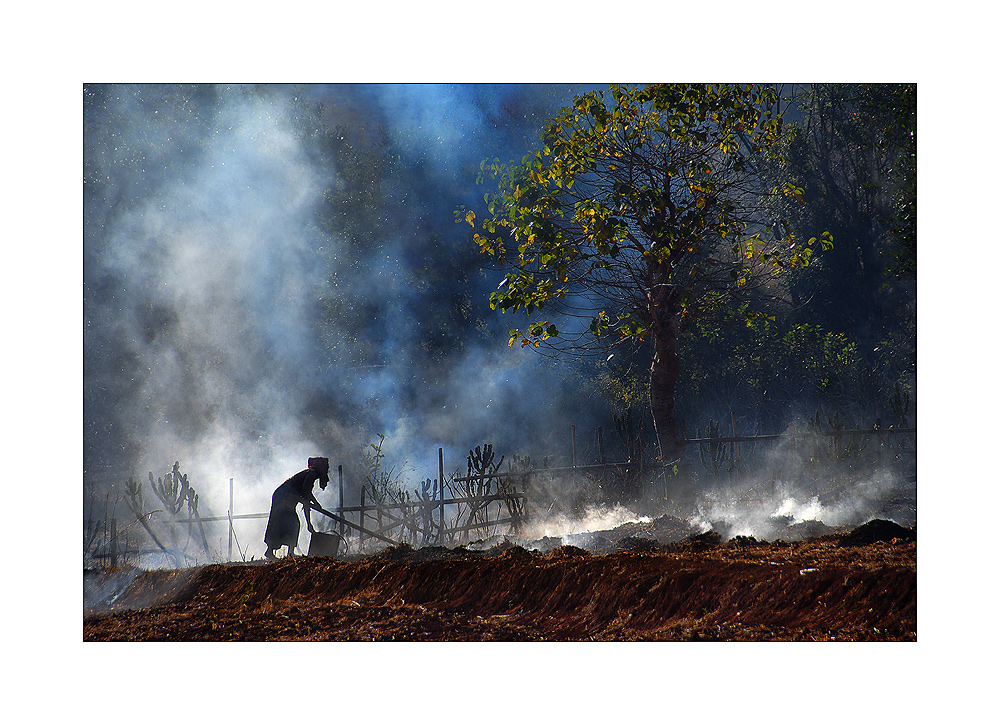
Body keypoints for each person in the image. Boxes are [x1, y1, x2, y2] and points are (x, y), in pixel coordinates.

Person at [264, 457, 330, 560]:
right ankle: (272, 552)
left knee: (292, 523)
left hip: (286, 496)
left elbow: (306, 498)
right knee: (283, 522)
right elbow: (306, 493)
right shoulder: (311, 473)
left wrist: (309, 522)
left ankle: (289, 553)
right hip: (283, 496)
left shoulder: (311, 474)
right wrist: (315, 503)